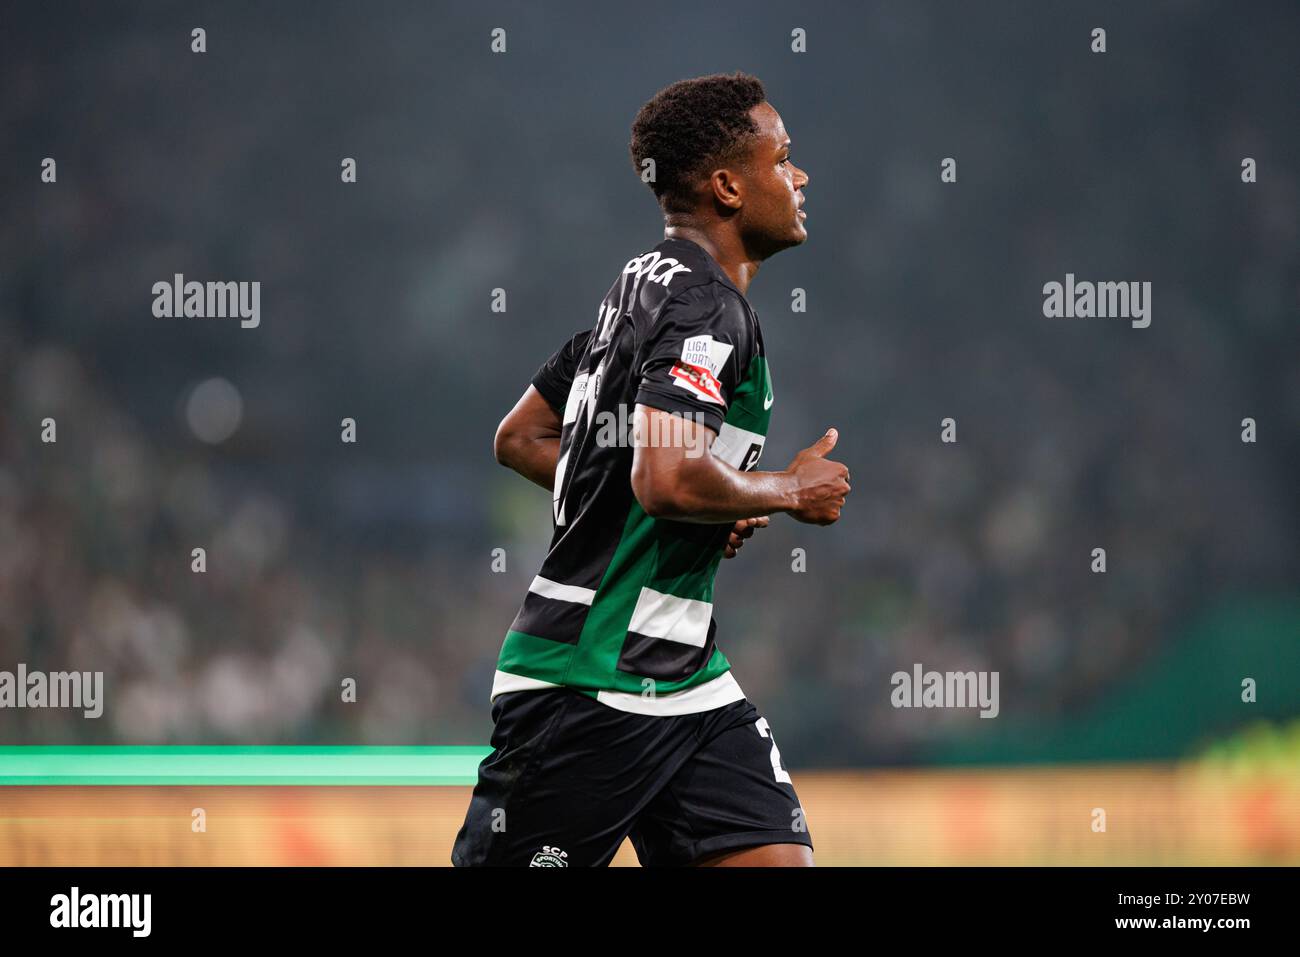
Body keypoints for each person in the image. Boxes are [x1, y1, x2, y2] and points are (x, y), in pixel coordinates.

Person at [452, 71, 850, 867]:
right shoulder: (705, 306)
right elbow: (664, 479)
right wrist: (786, 491)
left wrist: (709, 500)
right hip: (590, 682)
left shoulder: (635, 287)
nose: (800, 177)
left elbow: (523, 436)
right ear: (730, 185)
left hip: (688, 678)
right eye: (784, 159)